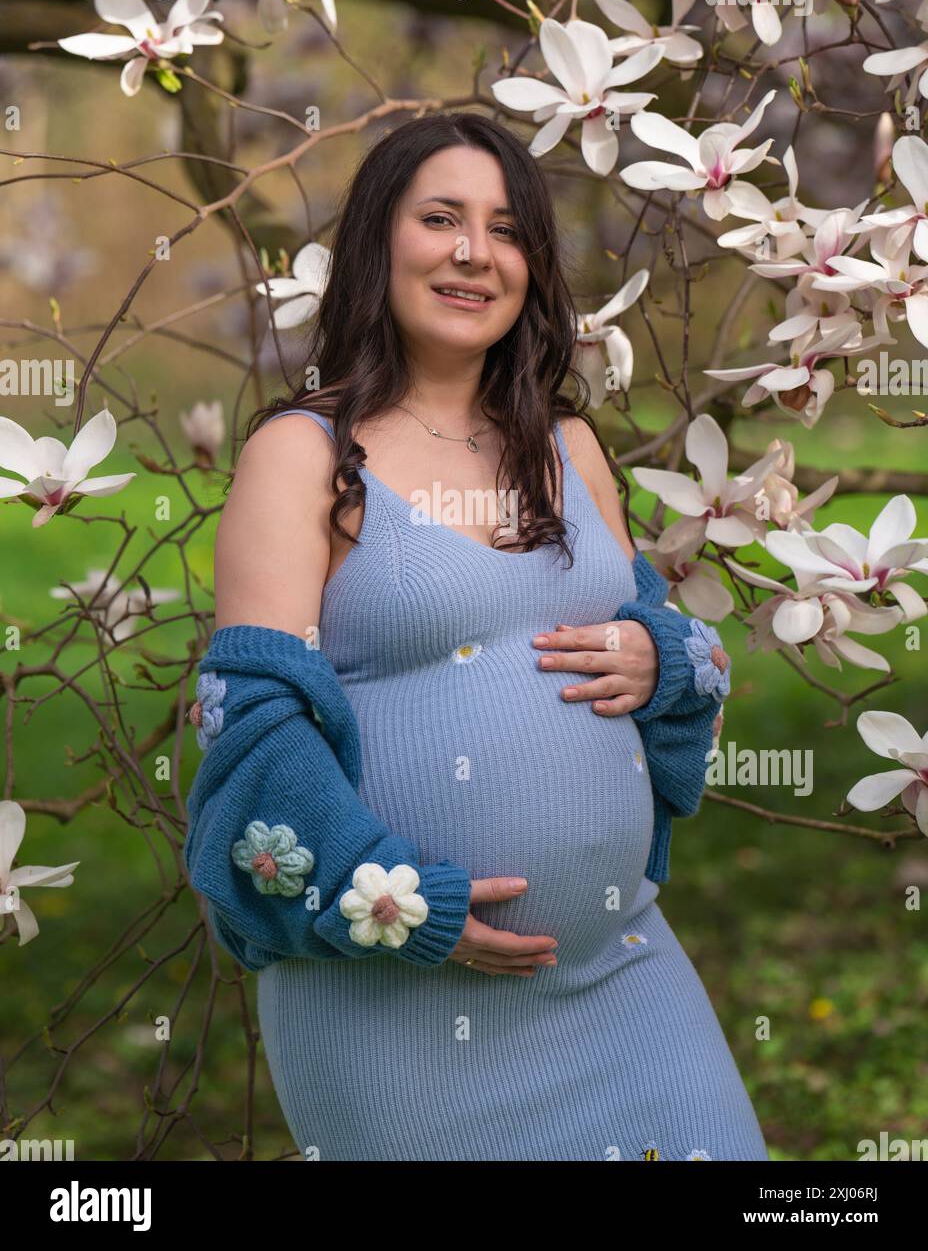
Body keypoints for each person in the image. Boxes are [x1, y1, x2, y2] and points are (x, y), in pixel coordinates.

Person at [185, 110, 769, 1161]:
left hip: (618, 966)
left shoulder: (570, 444)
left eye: (505, 230)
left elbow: (655, 640)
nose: (472, 252)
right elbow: (251, 730)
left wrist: (656, 655)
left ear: (533, 267)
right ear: (377, 243)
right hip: (397, 999)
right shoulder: (302, 455)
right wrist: (408, 909)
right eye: (440, 218)